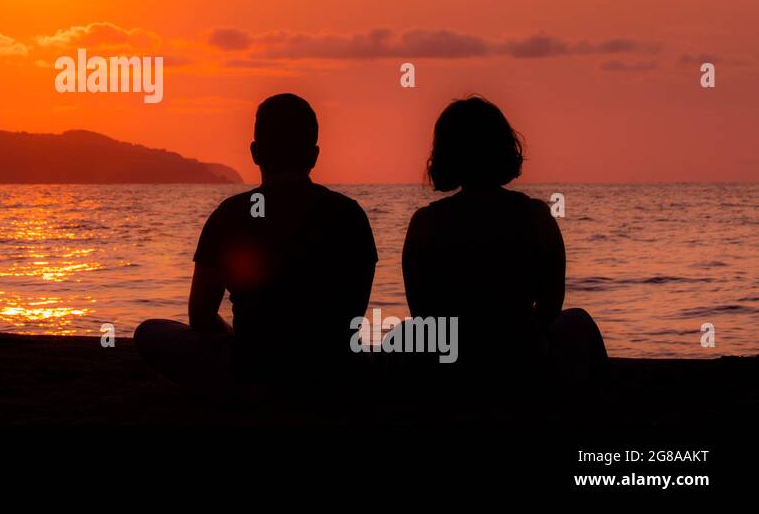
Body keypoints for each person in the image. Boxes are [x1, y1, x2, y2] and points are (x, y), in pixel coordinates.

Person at [135, 93, 377, 395]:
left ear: (255, 152)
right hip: (331, 372)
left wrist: (242, 342)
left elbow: (201, 315)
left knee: (150, 332)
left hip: (249, 370)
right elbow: (352, 314)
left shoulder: (230, 214)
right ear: (314, 155)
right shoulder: (349, 214)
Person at [401, 96, 608, 382]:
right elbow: (550, 305)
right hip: (521, 355)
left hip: (450, 361)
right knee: (579, 322)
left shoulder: (425, 223)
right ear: (504, 148)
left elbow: (421, 311)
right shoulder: (535, 217)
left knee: (403, 334)